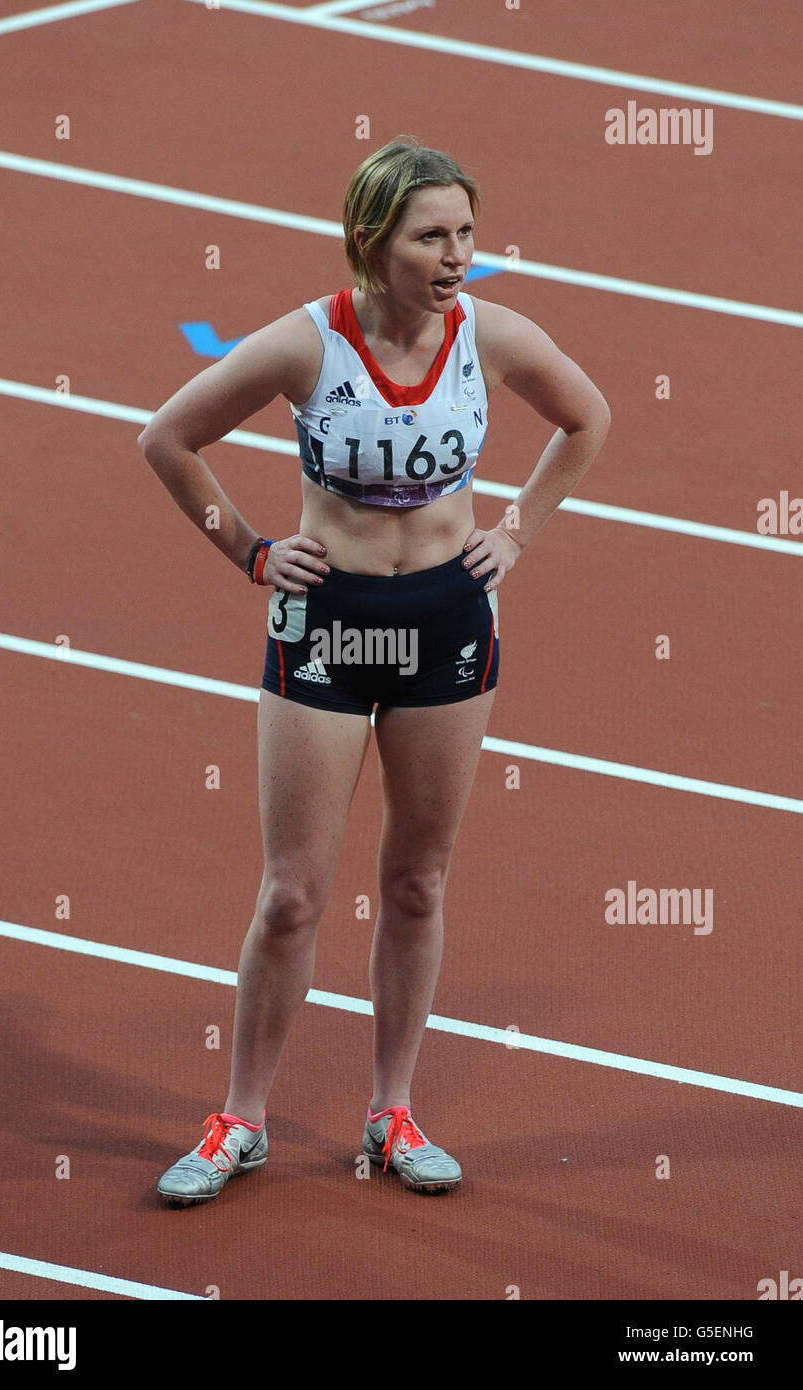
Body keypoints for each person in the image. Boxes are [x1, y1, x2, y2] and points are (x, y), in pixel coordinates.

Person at [138, 136, 610, 1204]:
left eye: (464, 234)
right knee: (293, 895)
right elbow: (168, 438)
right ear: (371, 240)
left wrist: (520, 532)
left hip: (445, 619)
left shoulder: (489, 335)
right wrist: (253, 552)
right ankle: (240, 1119)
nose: (456, 256)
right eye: (431, 235)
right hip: (327, 625)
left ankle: (390, 1115)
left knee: (415, 880)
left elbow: (587, 418)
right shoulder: (307, 345)